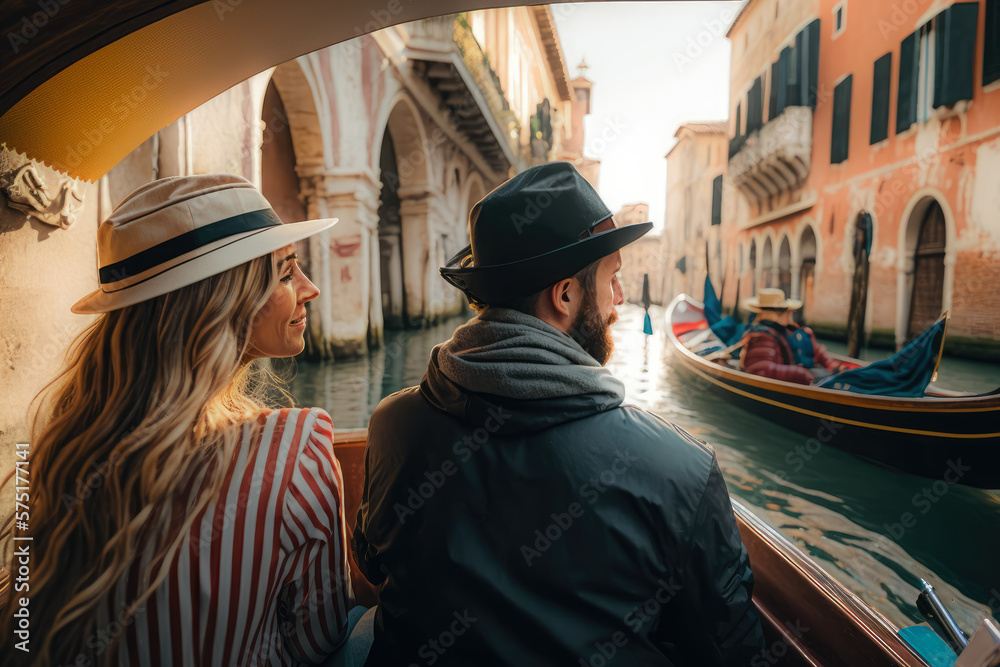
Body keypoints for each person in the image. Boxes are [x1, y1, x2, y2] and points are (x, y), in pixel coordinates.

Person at [353, 162, 766, 666]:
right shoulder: (680, 469)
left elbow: (372, 564)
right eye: (612, 278)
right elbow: (733, 653)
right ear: (565, 294)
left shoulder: (392, 423)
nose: (619, 300)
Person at [0, 175, 372, 666]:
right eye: (285, 274)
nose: (311, 288)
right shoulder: (297, 446)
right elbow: (316, 641)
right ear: (219, 304)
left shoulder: (64, 443)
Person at [739, 288, 847, 385]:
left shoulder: (795, 331)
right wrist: (801, 374)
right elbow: (761, 369)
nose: (790, 313)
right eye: (785, 311)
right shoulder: (761, 337)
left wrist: (835, 367)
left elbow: (817, 353)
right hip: (800, 380)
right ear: (772, 314)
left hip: (810, 377)